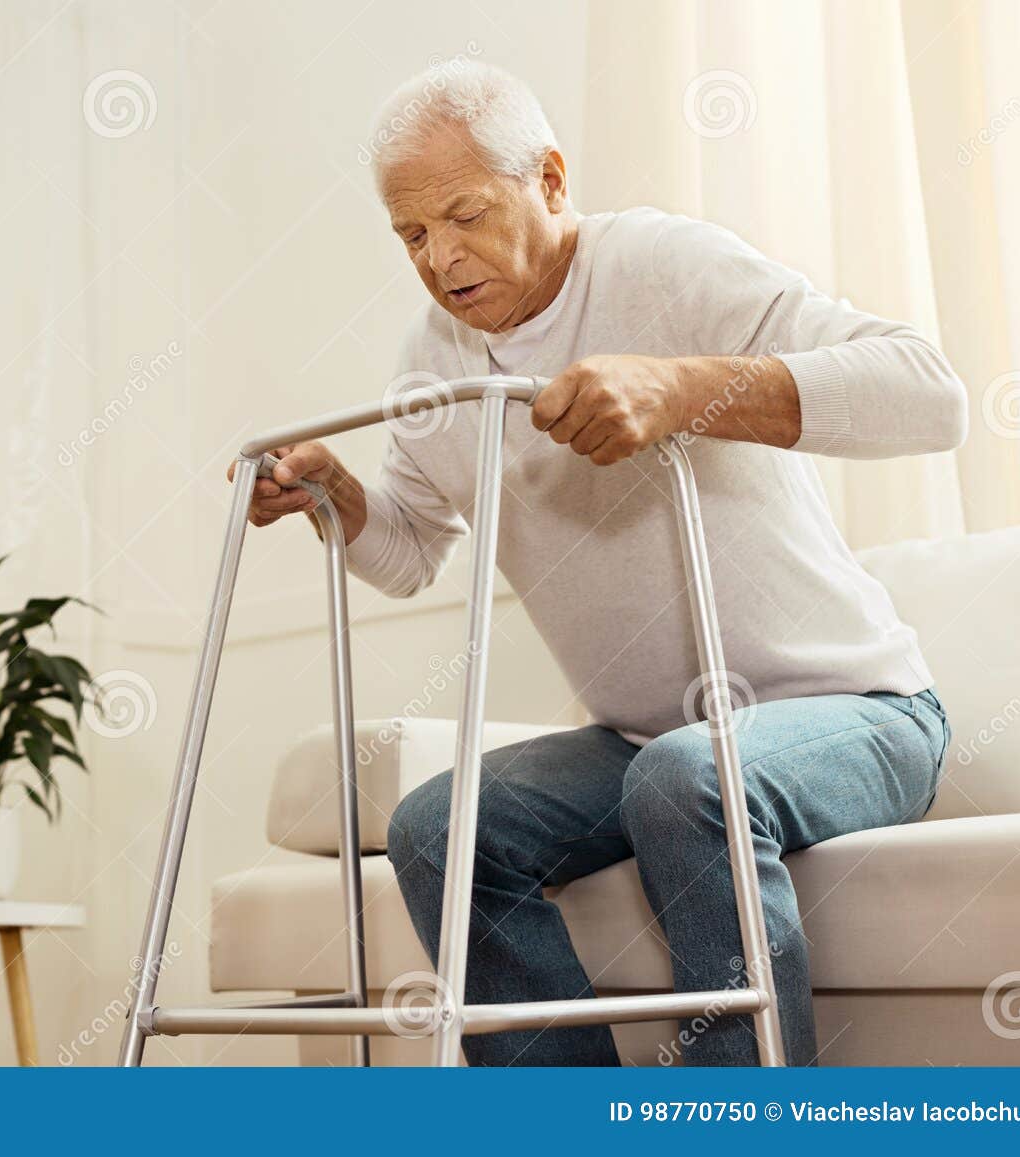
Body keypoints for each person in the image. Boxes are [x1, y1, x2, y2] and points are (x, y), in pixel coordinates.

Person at [231, 62, 960, 1066]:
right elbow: (407, 554)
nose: (442, 258)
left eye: (465, 215)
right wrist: (338, 499)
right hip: (645, 736)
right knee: (438, 827)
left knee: (684, 776)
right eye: (412, 234)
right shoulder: (432, 358)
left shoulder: (661, 263)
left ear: (551, 180)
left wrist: (684, 388)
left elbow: (929, 393)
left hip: (861, 711)